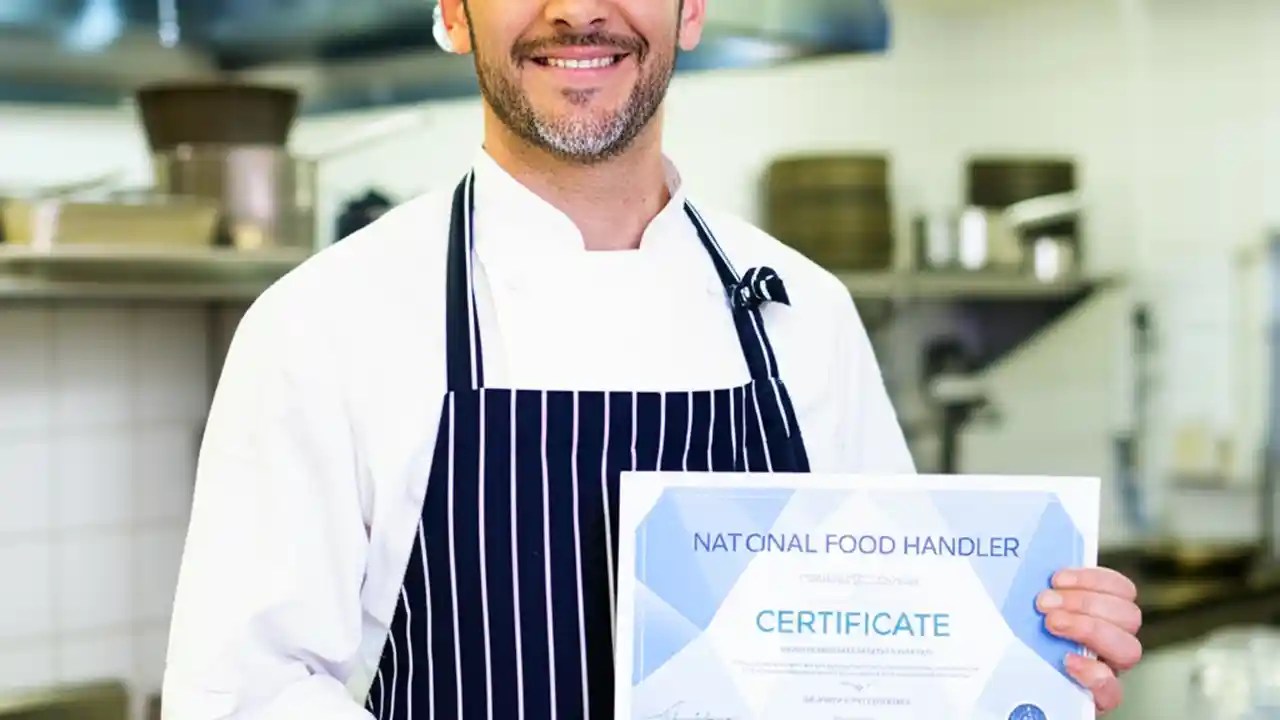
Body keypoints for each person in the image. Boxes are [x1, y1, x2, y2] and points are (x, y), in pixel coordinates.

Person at [162, 0, 1144, 717]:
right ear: (452, 13)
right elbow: (241, 697)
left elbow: (880, 682)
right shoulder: (327, 322)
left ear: (691, 9)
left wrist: (1024, 669)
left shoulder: (805, 313)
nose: (578, 11)